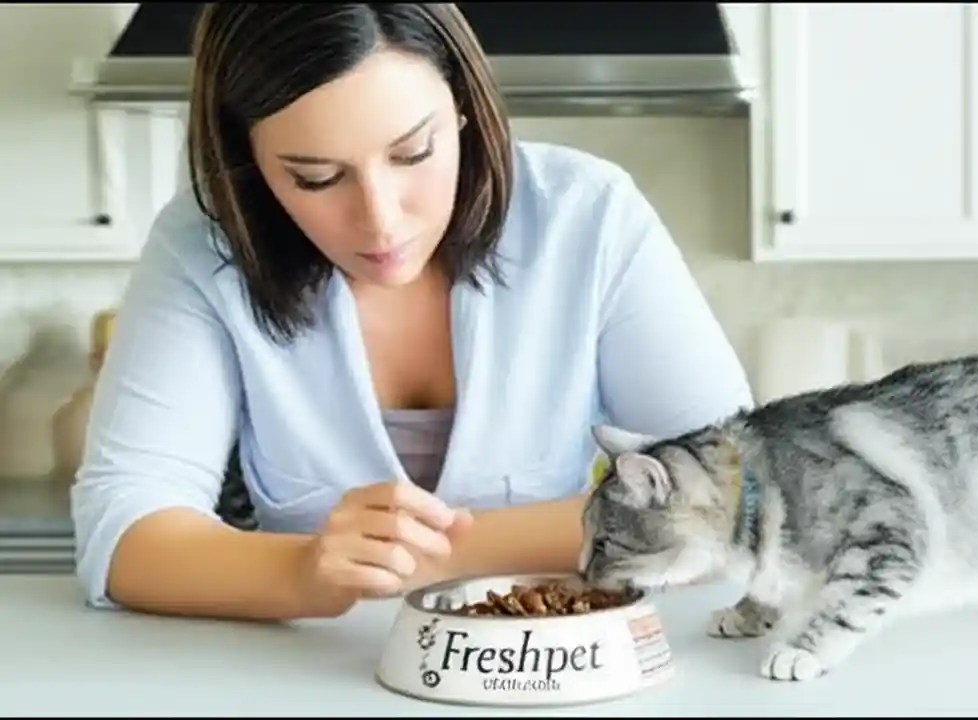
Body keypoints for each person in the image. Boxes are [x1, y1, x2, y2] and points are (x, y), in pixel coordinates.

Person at [70, 3, 753, 622]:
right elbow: (123, 530)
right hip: (302, 683)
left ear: (461, 104)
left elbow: (736, 488)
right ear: (246, 155)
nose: (380, 220)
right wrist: (302, 574)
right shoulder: (204, 242)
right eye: (315, 177)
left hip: (564, 671)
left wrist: (437, 554)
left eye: (413, 153)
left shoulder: (589, 214)